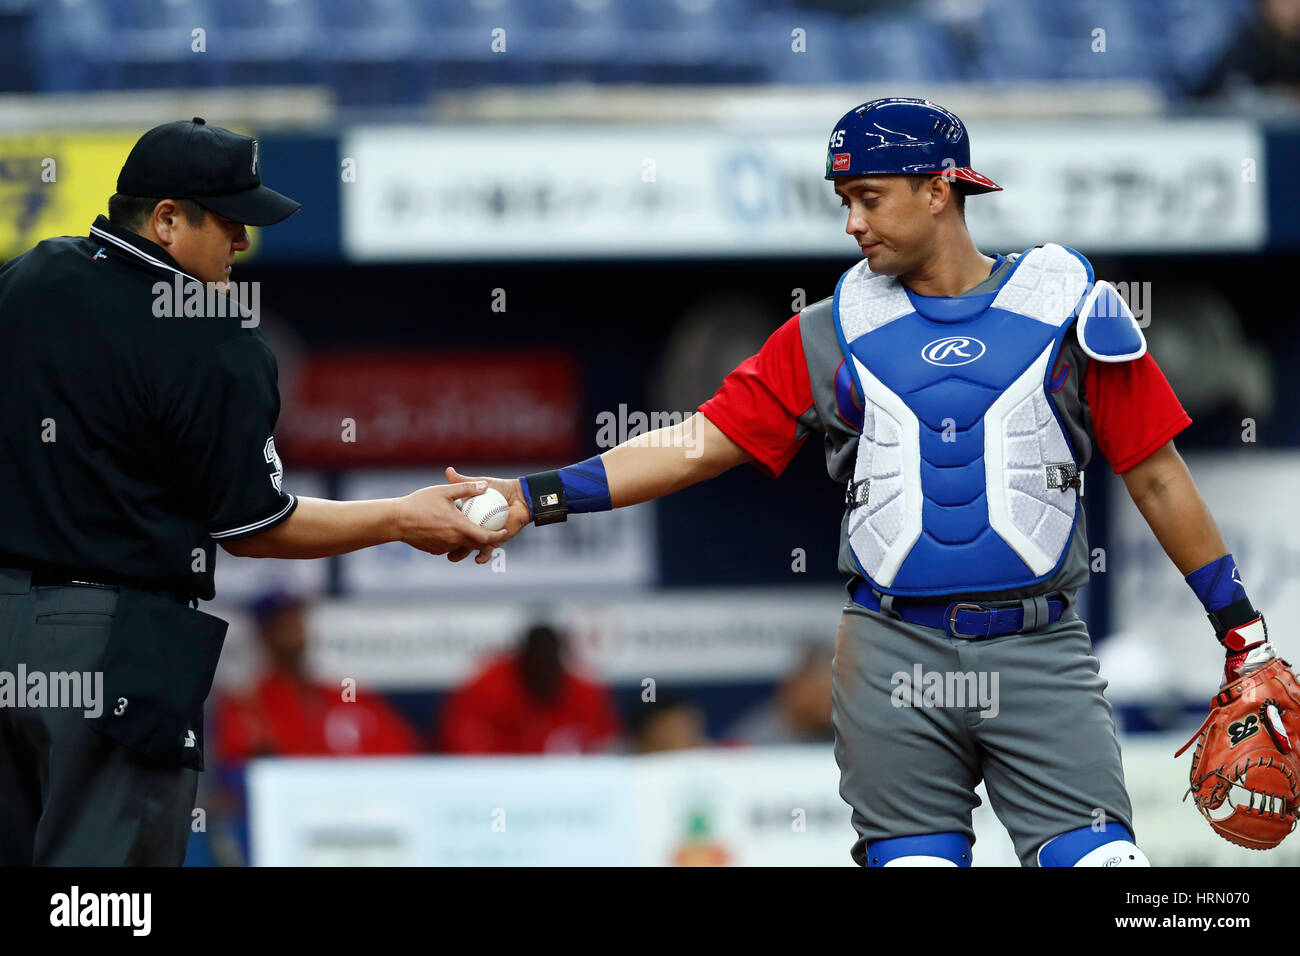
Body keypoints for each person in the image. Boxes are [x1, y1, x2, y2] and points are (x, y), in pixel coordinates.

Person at [456, 97, 1293, 867]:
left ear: (939, 190)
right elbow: (698, 445)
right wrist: (537, 496)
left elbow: (1156, 478)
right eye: (843, 201)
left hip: (1039, 647)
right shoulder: (830, 330)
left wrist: (1243, 635)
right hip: (894, 653)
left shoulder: (1067, 303)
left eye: (869, 196)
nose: (852, 222)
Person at [0, 118, 504, 866]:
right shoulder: (215, 340)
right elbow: (255, 524)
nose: (244, 241)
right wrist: (400, 517)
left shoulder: (30, 276)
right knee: (105, 895)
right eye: (230, 222)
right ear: (167, 219)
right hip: (109, 638)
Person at [215, 591, 420, 760]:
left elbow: (403, 753)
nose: (293, 629)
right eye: (280, 623)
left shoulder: (345, 693)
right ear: (262, 633)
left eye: (296, 619)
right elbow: (235, 772)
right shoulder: (247, 702)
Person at [436, 623, 620, 754]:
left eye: (549, 661)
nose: (542, 667)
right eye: (536, 660)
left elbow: (605, 748)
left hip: (565, 789)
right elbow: (459, 743)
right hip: (496, 786)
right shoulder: (487, 687)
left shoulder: (585, 693)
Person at [726, 642, 834, 747]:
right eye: (819, 691)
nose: (826, 704)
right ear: (796, 684)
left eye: (834, 694)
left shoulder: (840, 737)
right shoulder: (753, 741)